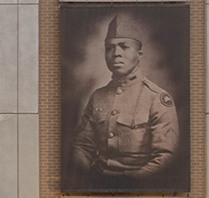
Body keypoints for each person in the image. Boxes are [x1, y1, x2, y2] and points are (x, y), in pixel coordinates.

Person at [70, 13, 179, 185]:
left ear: (139, 54)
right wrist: (87, 175)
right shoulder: (97, 97)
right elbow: (83, 146)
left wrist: (127, 184)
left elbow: (165, 156)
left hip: (139, 187)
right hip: (96, 184)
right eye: (109, 48)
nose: (115, 54)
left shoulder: (157, 98)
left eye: (124, 46)